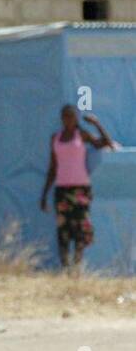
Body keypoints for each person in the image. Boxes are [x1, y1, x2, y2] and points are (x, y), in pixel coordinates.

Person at [40, 104, 115, 270]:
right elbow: (53, 167)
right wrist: (44, 194)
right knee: (63, 229)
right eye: (65, 116)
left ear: (76, 118)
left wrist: (96, 123)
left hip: (81, 189)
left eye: (71, 116)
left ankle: (77, 265)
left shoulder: (82, 135)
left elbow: (106, 143)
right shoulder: (56, 138)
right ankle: (66, 267)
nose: (68, 120)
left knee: (81, 226)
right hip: (62, 189)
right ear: (62, 118)